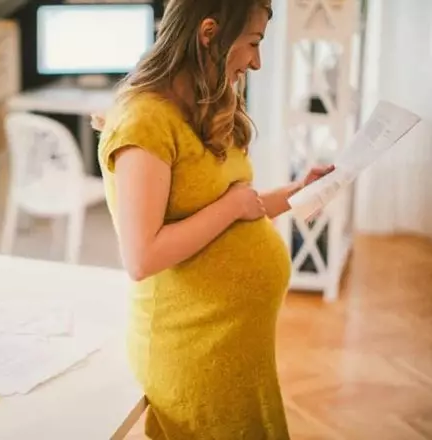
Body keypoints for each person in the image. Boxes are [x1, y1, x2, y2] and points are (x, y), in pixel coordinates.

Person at [93, 0, 334, 438]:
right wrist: (232, 208)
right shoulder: (144, 123)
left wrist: (295, 193)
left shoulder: (202, 102)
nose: (256, 62)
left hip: (235, 344)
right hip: (191, 348)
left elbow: (229, 202)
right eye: (252, 44)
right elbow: (142, 257)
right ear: (209, 34)